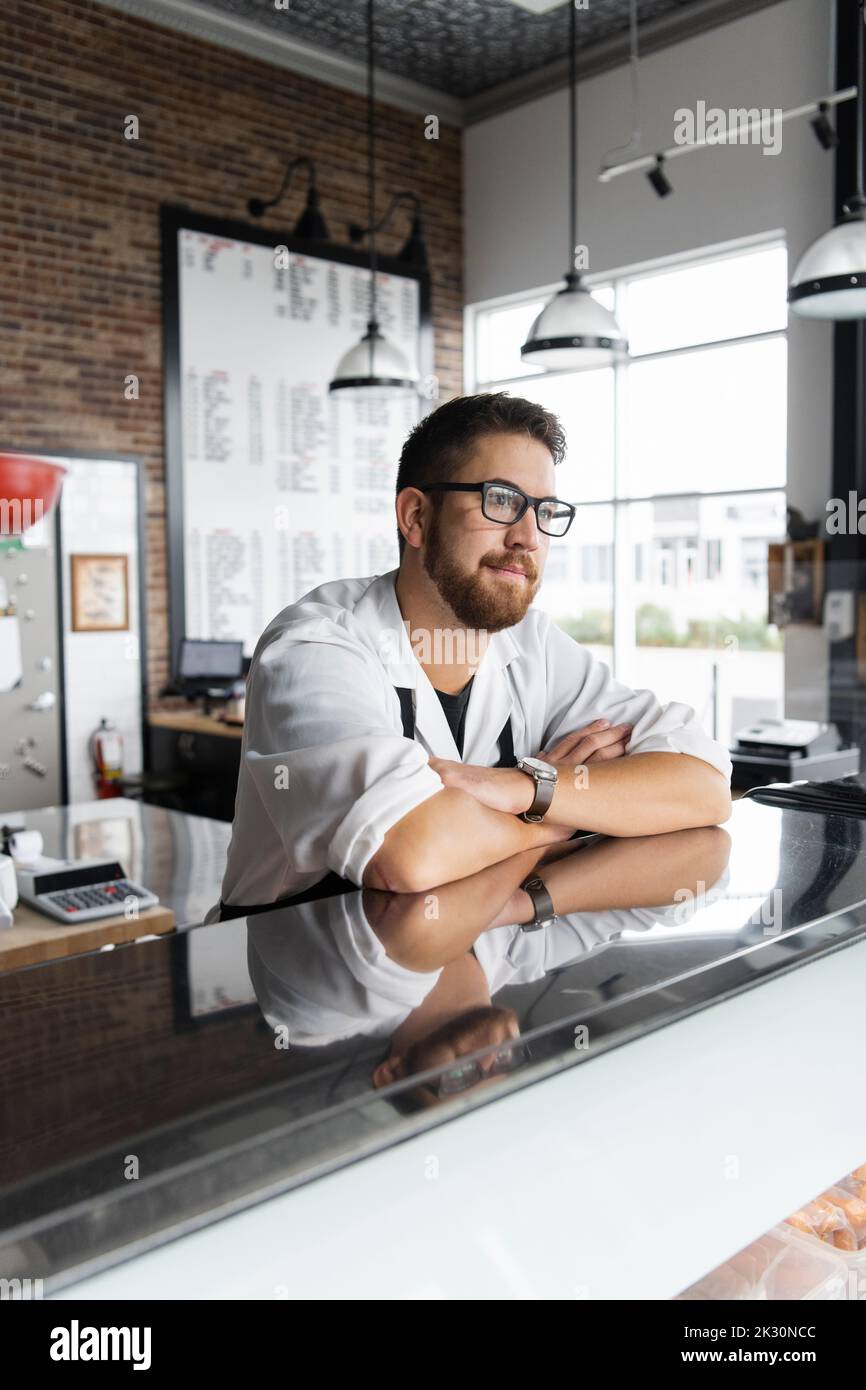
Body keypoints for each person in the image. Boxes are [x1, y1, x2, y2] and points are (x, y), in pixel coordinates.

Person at [215, 392, 731, 918]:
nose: (528, 537)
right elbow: (408, 853)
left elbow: (704, 787)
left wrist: (520, 787)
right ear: (416, 516)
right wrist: (560, 814)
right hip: (313, 964)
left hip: (478, 941)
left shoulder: (533, 645)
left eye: (545, 511)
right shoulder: (316, 645)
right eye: (501, 500)